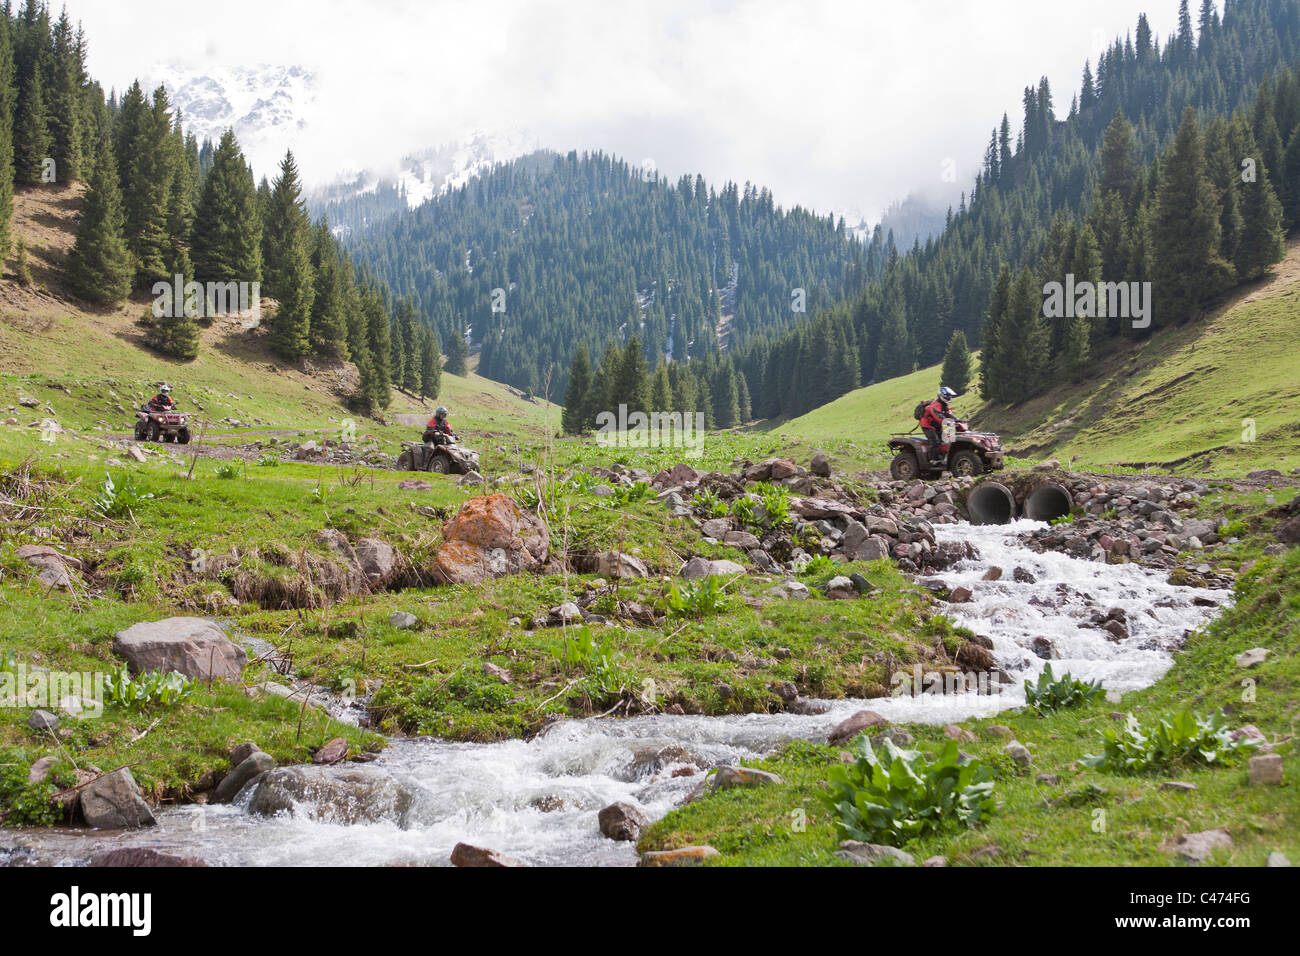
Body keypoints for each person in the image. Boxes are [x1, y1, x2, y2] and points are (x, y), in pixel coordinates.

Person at [919, 386, 959, 466]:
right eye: (947, 396)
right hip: (927, 425)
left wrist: (958, 420)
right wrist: (950, 423)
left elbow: (950, 414)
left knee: (947, 440)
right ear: (942, 395)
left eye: (950, 396)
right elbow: (939, 417)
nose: (949, 397)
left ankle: (945, 457)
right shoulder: (935, 405)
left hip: (936, 425)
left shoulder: (945, 405)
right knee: (935, 441)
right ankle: (932, 460)